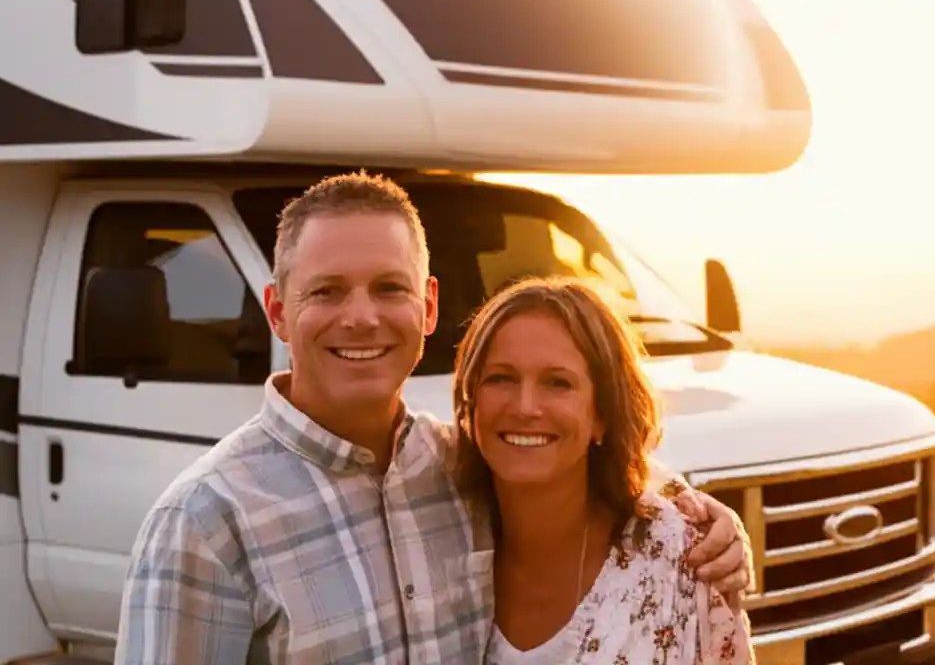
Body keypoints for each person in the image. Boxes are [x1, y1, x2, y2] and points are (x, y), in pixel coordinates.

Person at [114, 172, 752, 664]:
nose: (361, 317)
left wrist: (702, 519)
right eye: (327, 290)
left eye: (390, 288)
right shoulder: (203, 523)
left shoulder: (459, 465)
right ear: (278, 311)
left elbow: (574, 457)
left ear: (427, 306)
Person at [450, 277, 754, 664]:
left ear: (602, 415)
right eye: (501, 378)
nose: (525, 406)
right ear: (470, 401)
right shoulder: (439, 528)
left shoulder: (682, 560)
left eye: (558, 383)